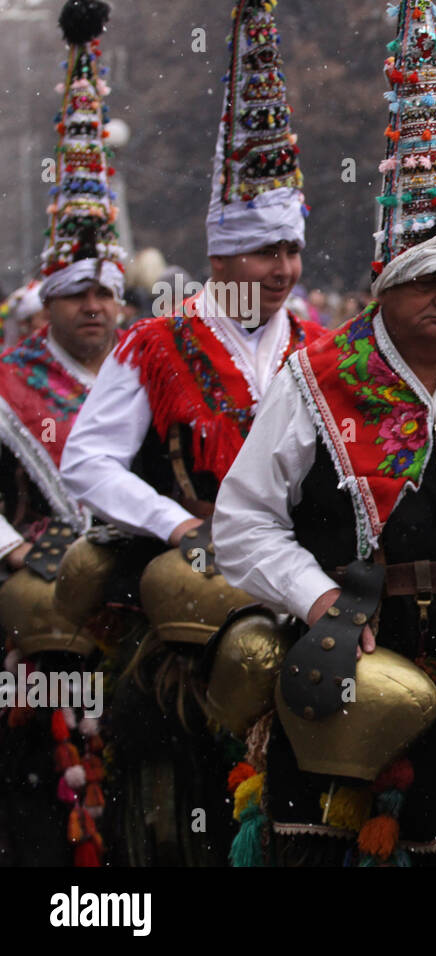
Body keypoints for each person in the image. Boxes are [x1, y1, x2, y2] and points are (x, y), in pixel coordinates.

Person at [212, 1, 436, 865]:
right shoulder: (319, 375)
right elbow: (242, 525)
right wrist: (316, 596)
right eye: (424, 278)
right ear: (384, 283)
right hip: (350, 659)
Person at [56, 0, 324, 866]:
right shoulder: (158, 342)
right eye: (261, 253)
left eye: (289, 250)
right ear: (219, 257)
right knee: (178, 764)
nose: (280, 270)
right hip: (192, 595)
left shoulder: (321, 347)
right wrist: (175, 523)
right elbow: (86, 459)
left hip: (302, 579)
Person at [0, 0, 125, 867]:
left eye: (104, 292)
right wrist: (12, 552)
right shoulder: (7, 385)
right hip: (31, 624)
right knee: (41, 789)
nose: (93, 307)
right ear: (48, 302)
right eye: (77, 293)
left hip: (131, 612)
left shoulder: (146, 379)